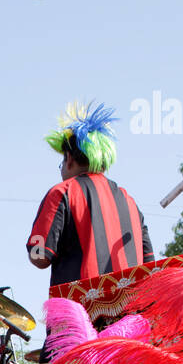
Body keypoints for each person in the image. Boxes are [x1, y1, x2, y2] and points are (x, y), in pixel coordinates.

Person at [27, 102, 154, 286]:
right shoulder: (130, 202)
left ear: (68, 158)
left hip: (79, 310)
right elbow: (149, 264)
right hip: (129, 310)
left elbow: (39, 256)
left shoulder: (62, 192)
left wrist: (35, 241)